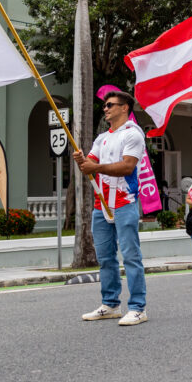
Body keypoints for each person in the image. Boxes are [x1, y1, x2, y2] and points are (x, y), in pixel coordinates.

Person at [75, 91, 149, 326]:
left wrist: (94, 166)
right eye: (104, 105)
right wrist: (81, 161)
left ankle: (138, 307)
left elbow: (127, 167)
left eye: (110, 105)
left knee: (130, 256)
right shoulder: (101, 138)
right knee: (105, 257)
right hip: (101, 204)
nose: (105, 108)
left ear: (125, 107)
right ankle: (110, 304)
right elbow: (89, 165)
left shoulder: (132, 134)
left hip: (125, 202)